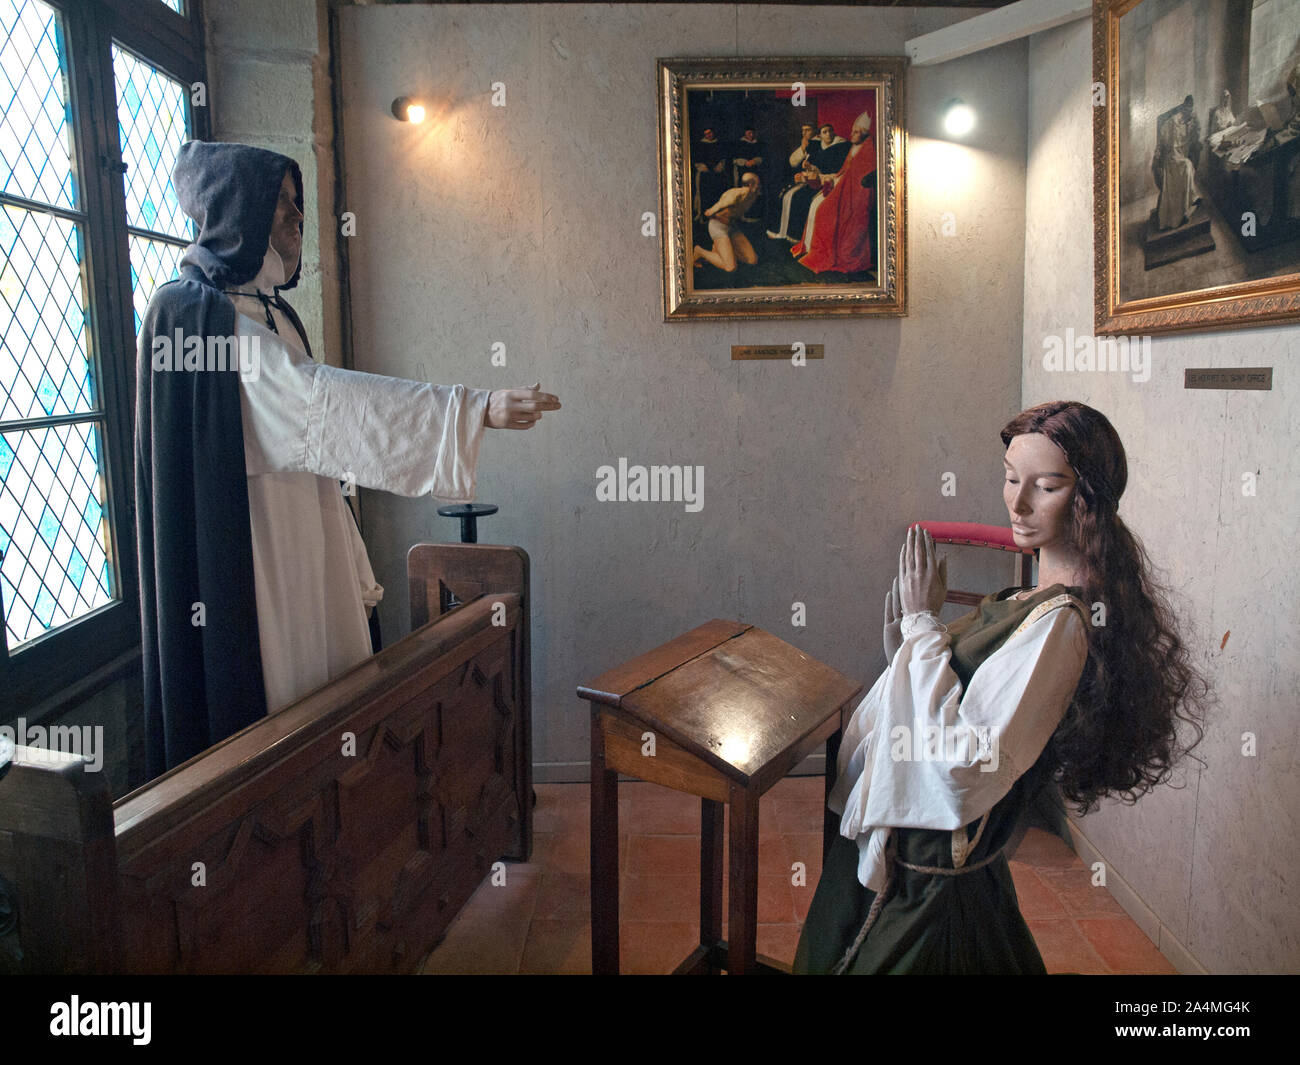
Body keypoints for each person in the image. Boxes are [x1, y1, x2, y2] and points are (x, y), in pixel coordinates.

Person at [136, 141, 560, 777]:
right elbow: (320, 404)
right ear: (234, 211)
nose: (295, 217)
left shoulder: (267, 313)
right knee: (283, 697)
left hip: (308, 533)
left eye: (296, 203)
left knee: (333, 689)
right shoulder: (191, 315)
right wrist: (472, 409)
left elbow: (320, 425)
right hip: (253, 553)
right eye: (278, 203)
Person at [794, 401, 1208, 974]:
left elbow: (966, 761)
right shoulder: (1023, 602)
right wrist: (916, 637)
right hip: (928, 851)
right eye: (1012, 478)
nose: (1017, 502)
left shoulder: (1061, 625)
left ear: (1087, 497)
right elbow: (952, 700)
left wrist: (922, 628)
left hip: (933, 860)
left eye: (1046, 486)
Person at [794, 110, 877, 274]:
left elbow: (860, 178)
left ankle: (819, 251)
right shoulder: (853, 147)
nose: (852, 134)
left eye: (856, 132)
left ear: (864, 134)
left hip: (857, 194)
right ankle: (810, 248)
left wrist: (830, 180)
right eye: (853, 131)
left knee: (823, 209)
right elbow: (843, 172)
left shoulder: (867, 150)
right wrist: (829, 178)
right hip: (845, 185)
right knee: (816, 203)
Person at [693, 172, 761, 273]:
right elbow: (725, 201)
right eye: (758, 184)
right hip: (718, 226)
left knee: (752, 260)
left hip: (731, 227)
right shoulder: (740, 192)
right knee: (730, 267)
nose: (760, 186)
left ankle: (719, 250)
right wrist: (712, 210)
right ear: (750, 185)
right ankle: (699, 251)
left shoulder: (752, 196)